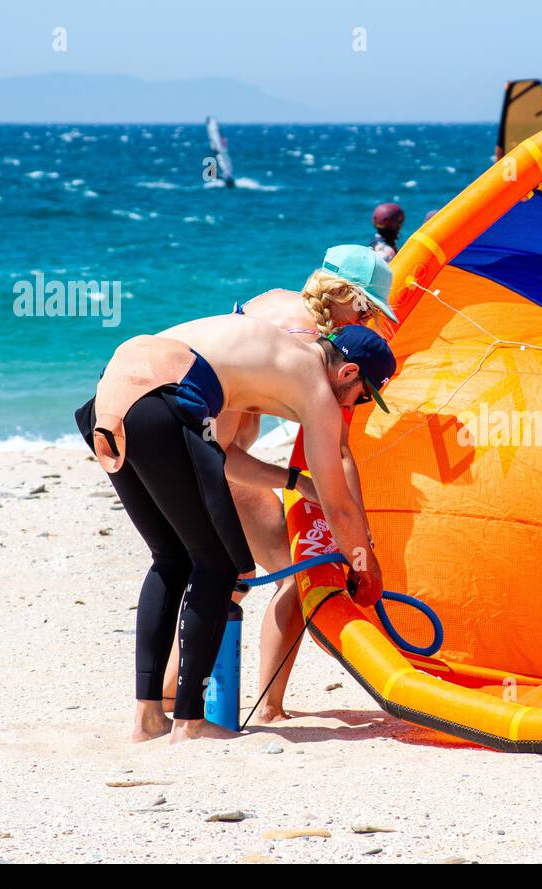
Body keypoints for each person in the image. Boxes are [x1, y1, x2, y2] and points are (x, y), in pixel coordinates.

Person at [75, 312, 396, 743]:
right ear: (348, 371)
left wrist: (295, 482)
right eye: (361, 397)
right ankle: (189, 724)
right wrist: (364, 565)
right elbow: (339, 508)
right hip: (160, 402)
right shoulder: (317, 387)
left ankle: (148, 719)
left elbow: (223, 453)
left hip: (108, 400)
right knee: (221, 565)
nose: (351, 406)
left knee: (171, 559)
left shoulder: (276, 349)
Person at [164, 246, 398, 723]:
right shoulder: (308, 341)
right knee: (276, 574)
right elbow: (338, 450)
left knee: (232, 578)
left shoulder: (280, 303)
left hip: (187, 439)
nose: (369, 322)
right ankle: (259, 708)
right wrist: (359, 545)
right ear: (346, 297)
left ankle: (170, 697)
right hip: (212, 459)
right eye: (368, 309)